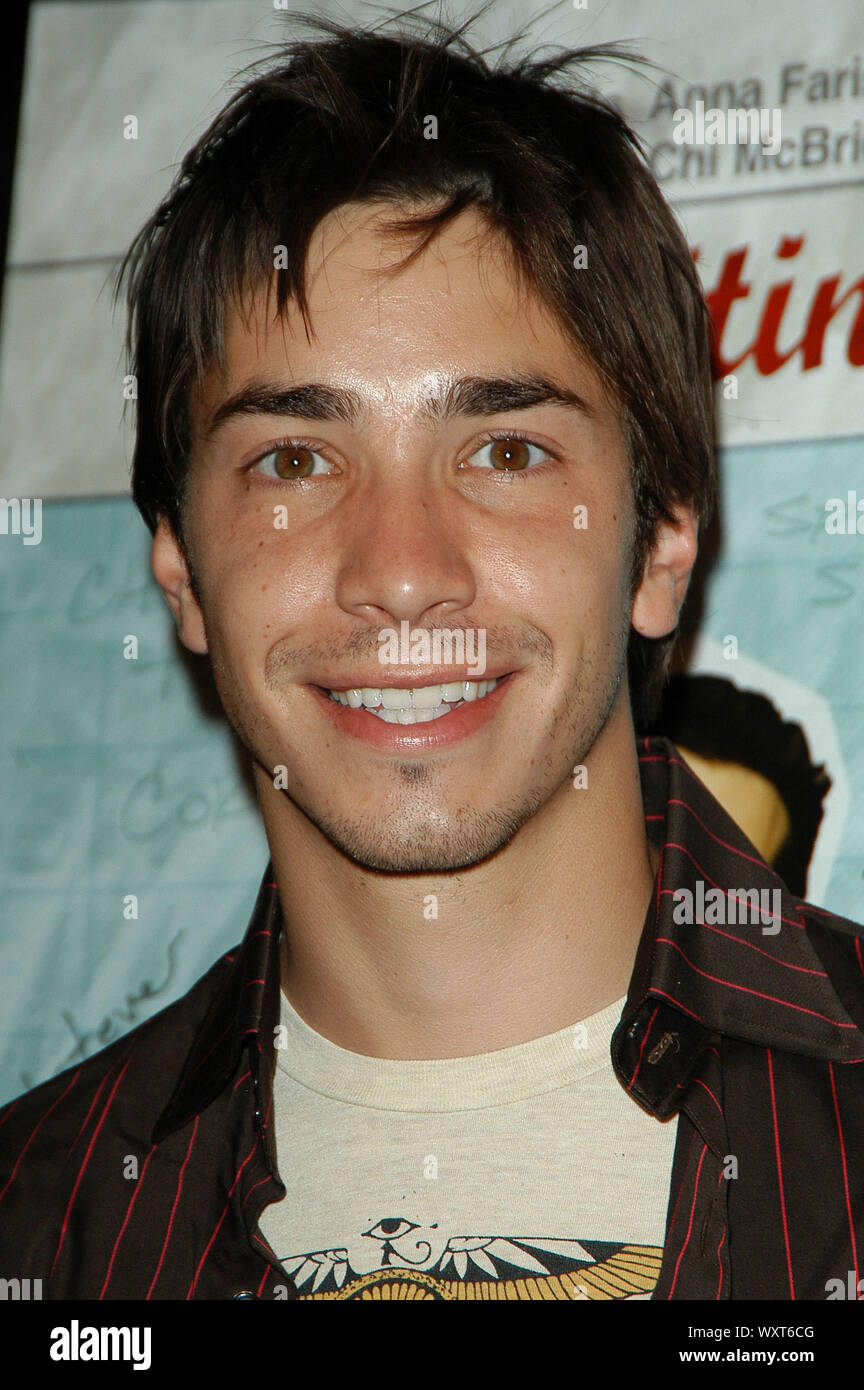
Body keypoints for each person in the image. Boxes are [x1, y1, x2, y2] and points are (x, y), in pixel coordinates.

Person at [2, 11, 863, 1303]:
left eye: (505, 450)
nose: (401, 569)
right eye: (295, 459)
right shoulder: (36, 1217)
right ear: (180, 565)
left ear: (664, 539)